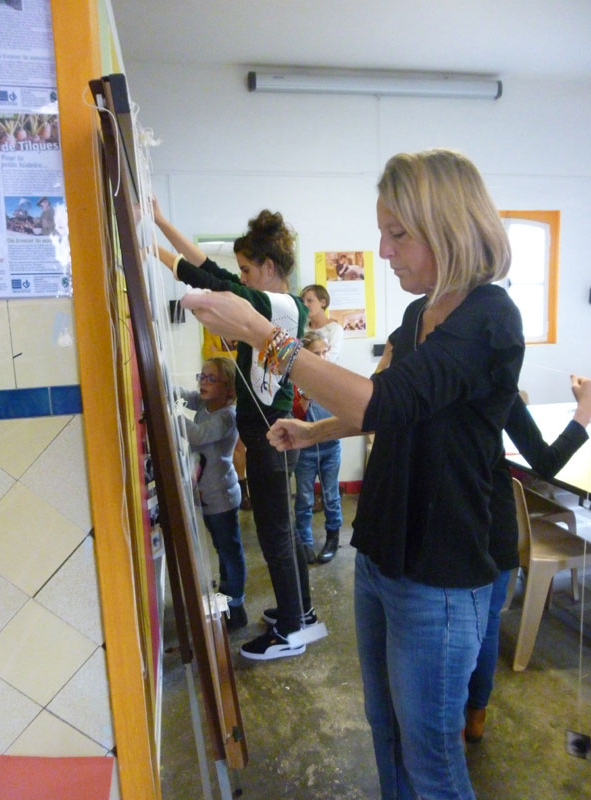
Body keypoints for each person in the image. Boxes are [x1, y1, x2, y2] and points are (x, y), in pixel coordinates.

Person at [180, 148, 525, 799]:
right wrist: (313, 429)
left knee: (431, 759)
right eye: (383, 231)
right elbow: (386, 406)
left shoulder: (489, 318)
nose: (385, 249)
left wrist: (266, 335)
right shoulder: (419, 316)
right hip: (381, 555)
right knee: (385, 730)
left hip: (442, 572)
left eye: (398, 233)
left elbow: (383, 402)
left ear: (449, 227)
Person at [153, 201, 316, 661]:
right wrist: (163, 222)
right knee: (282, 532)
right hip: (272, 434)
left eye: (246, 269)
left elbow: (207, 280)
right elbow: (210, 272)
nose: (240, 278)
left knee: (275, 536)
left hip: (270, 438)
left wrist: (154, 248)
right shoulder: (280, 303)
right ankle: (300, 611)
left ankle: (290, 629)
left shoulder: (277, 305)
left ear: (269, 267)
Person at [465, 376, 591, 741]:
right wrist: (583, 411)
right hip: (492, 519)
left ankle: (457, 717)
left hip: (451, 517)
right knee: (485, 624)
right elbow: (546, 461)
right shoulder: (495, 383)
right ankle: (475, 715)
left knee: (454, 624)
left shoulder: (432, 378)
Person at [178, 357, 247, 631]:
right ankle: (227, 597)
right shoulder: (206, 404)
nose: (202, 383)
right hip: (209, 495)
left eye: (211, 379)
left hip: (222, 496)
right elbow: (184, 396)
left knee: (229, 550)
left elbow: (197, 435)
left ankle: (236, 606)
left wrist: (168, 414)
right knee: (222, 548)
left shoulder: (226, 417)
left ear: (228, 388)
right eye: (202, 376)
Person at [291, 331, 343, 564]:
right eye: (315, 353)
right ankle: (305, 542)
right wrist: (306, 396)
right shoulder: (294, 381)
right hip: (305, 450)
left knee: (331, 495)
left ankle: (333, 537)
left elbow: (345, 407)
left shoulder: (335, 377)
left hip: (331, 447)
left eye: (324, 352)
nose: (321, 357)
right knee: (304, 498)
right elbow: (295, 414)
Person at [201, 329, 251, 510]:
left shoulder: (243, 328)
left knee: (241, 444)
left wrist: (220, 354)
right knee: (223, 443)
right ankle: (234, 487)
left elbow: (246, 357)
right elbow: (208, 354)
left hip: (243, 389)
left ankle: (243, 487)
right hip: (221, 393)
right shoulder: (211, 329)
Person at [301, 284, 343, 364]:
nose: (305, 305)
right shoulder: (302, 328)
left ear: (323, 303)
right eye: (303, 302)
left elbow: (329, 359)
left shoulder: (335, 329)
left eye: (309, 301)